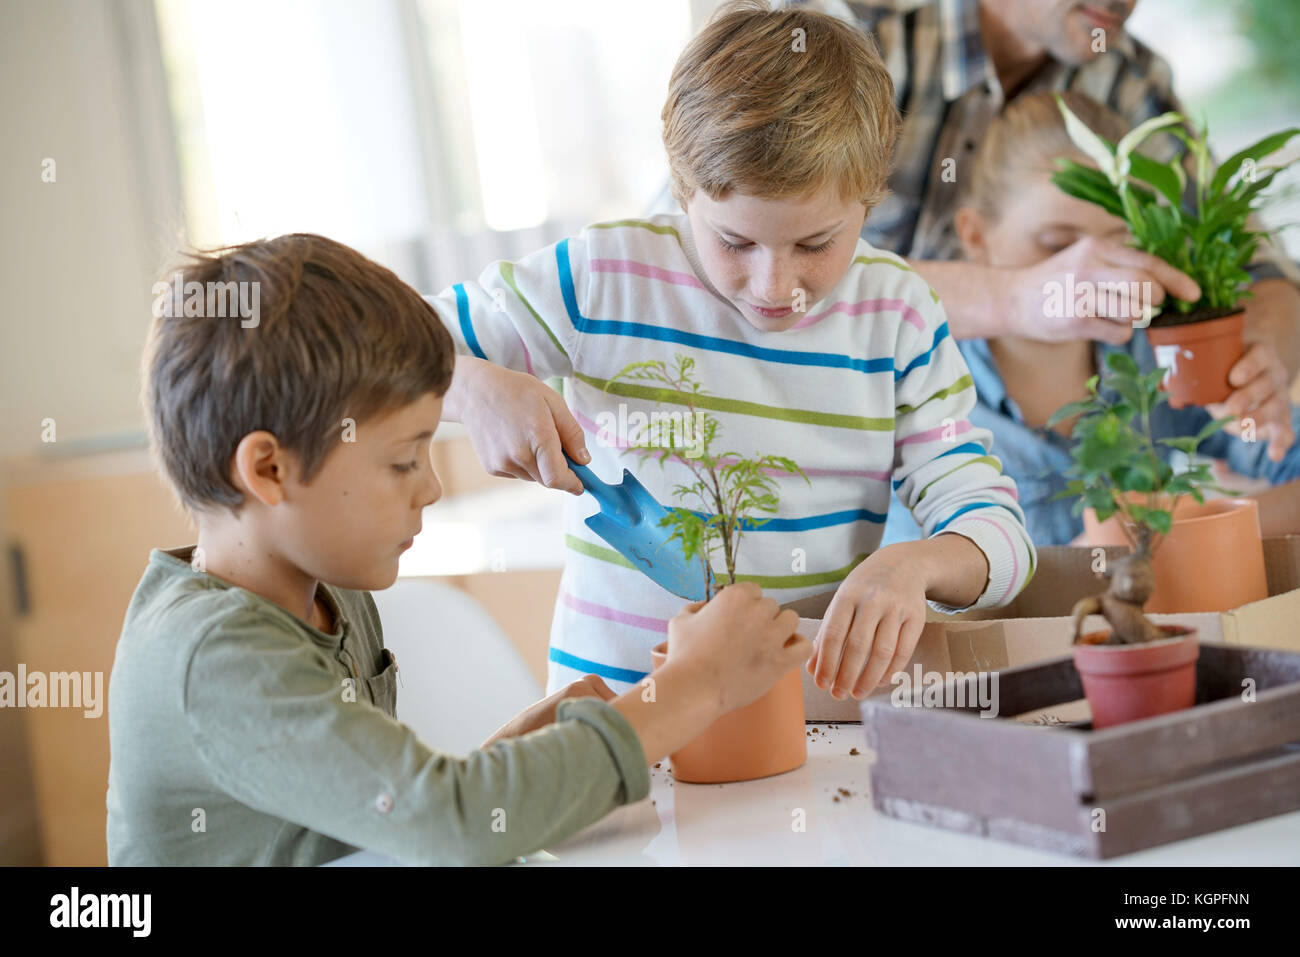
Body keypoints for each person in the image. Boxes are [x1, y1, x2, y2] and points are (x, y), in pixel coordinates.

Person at [107, 233, 812, 866]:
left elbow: (383, 816)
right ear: (268, 470)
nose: (432, 488)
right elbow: (450, 822)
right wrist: (696, 685)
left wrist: (509, 755)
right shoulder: (215, 660)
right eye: (402, 460)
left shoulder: (329, 587)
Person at [428, 0, 1037, 704]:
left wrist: (916, 564)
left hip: (802, 724)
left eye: (815, 243)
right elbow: (378, 344)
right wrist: (471, 385)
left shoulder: (897, 315)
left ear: (869, 202)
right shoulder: (604, 274)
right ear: (684, 192)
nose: (774, 286)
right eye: (734, 242)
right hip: (612, 736)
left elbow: (997, 531)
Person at [788, 0, 1300, 451]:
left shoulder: (1124, 79)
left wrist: (1260, 366)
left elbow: (1258, 262)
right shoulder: (846, 33)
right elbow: (778, 270)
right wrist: (1017, 299)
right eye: (1057, 242)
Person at [880, 91, 1300, 547]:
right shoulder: (915, 384)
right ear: (975, 237)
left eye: (1122, 245)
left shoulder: (1156, 357)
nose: (1093, 276)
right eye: (1058, 246)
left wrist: (1176, 536)